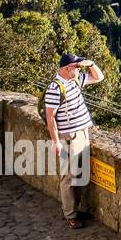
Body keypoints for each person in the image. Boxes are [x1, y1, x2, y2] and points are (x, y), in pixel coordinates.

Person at [44, 54, 103, 229]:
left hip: (82, 134)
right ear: (65, 68)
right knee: (69, 177)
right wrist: (56, 143)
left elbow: (99, 77)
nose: (79, 69)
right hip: (67, 139)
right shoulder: (55, 89)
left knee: (81, 175)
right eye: (76, 66)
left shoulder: (76, 80)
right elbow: (50, 118)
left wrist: (90, 63)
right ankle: (70, 214)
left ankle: (75, 210)